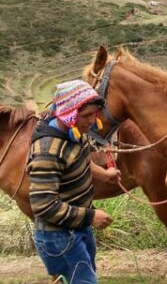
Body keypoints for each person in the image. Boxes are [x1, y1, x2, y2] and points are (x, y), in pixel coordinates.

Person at [29, 80, 119, 284]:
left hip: (78, 227)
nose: (92, 121)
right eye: (86, 115)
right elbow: (44, 206)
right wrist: (91, 216)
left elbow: (82, 157)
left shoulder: (75, 132)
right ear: (68, 113)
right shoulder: (47, 151)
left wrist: (105, 174)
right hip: (59, 237)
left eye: (95, 113)